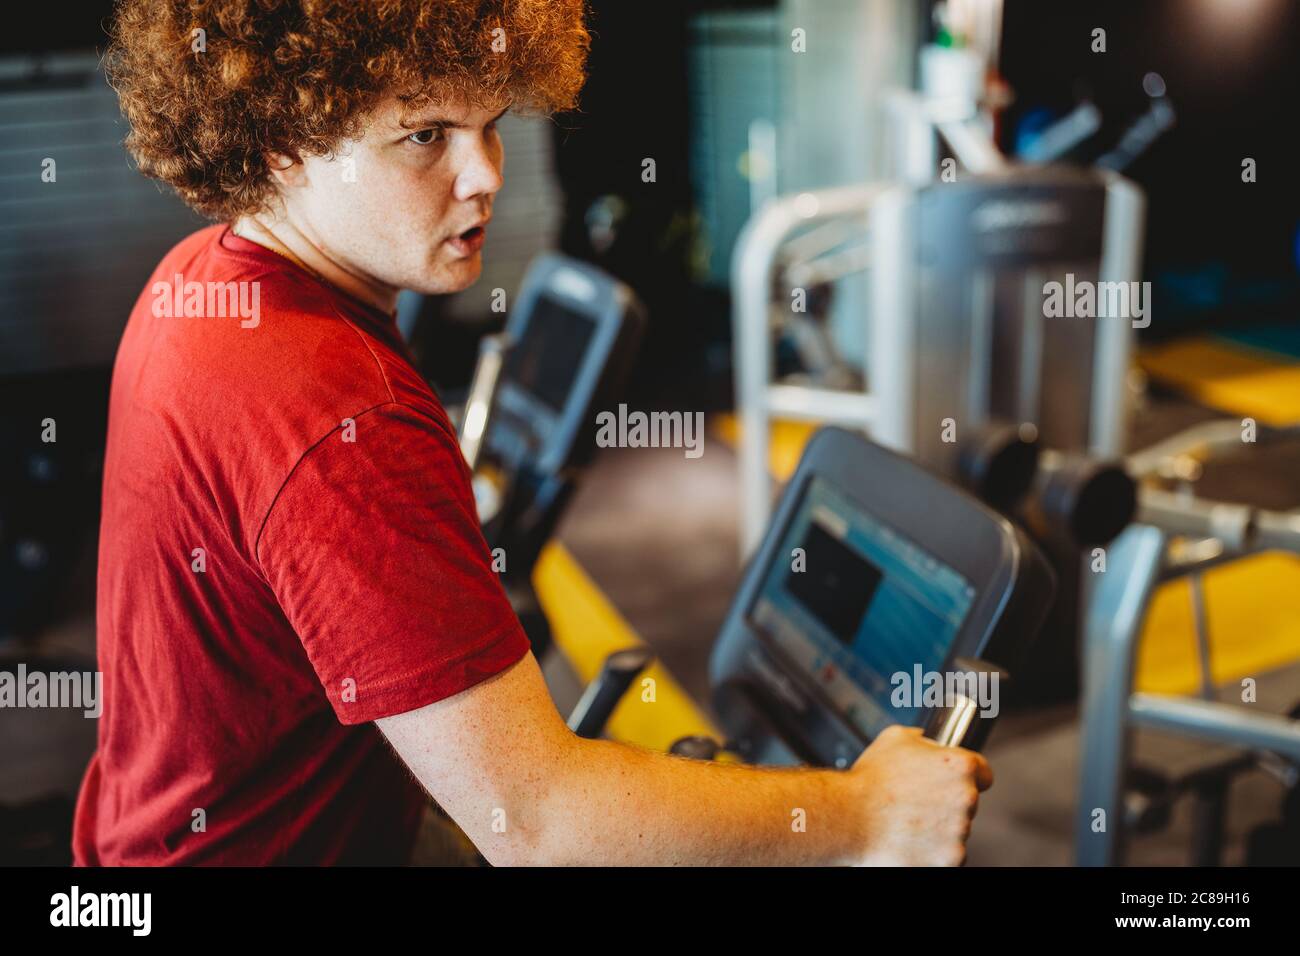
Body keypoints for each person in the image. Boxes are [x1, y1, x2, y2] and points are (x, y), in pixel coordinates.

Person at [74, 0, 990, 866]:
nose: (487, 176)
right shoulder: (340, 411)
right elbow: (536, 821)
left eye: (492, 124)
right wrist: (869, 814)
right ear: (283, 144)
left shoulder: (200, 274)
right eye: (425, 136)